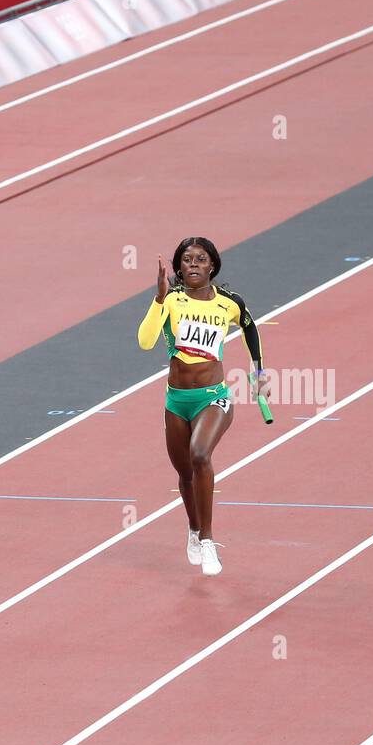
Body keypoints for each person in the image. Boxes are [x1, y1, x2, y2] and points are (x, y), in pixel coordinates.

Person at [137, 237, 267, 576]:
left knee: (199, 455)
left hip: (213, 397)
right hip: (176, 401)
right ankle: (194, 530)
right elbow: (145, 341)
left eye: (201, 258)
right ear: (179, 268)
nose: (193, 263)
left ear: (212, 266)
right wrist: (158, 298)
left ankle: (209, 541)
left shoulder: (229, 303)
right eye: (187, 259)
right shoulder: (171, 301)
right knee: (185, 475)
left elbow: (250, 328)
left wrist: (258, 372)